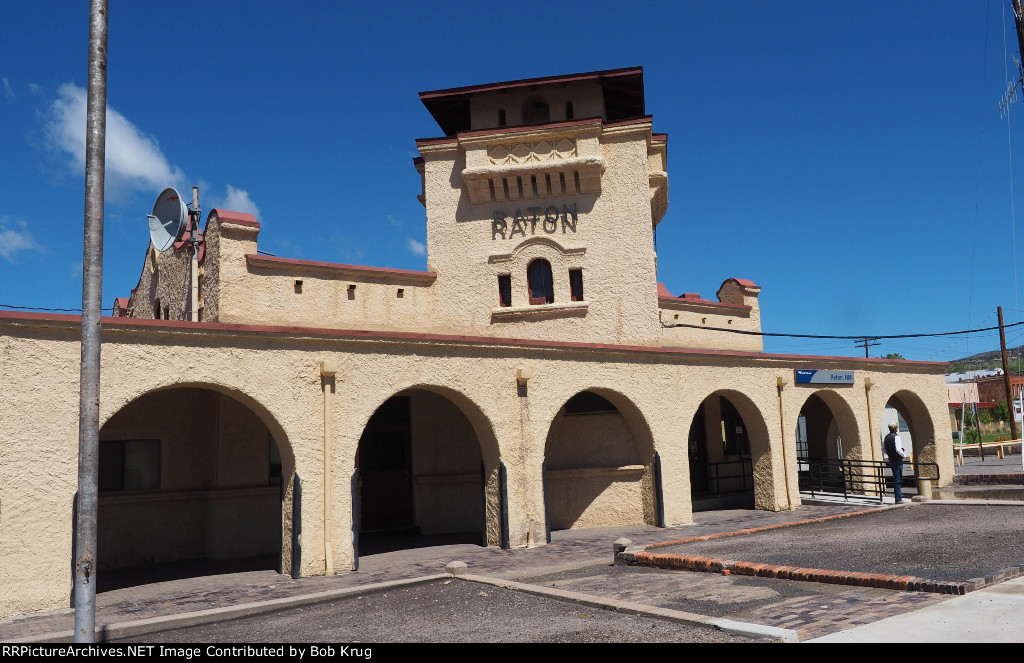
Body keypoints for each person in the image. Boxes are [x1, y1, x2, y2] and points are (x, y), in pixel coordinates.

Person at [883, 421, 907, 504]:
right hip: (897, 460)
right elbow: (898, 449)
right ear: (895, 428)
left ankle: (898, 498)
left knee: (895, 478)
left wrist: (889, 454)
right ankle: (898, 498)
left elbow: (883, 449)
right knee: (898, 479)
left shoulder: (886, 437)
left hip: (891, 459)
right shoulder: (896, 437)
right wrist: (904, 455)